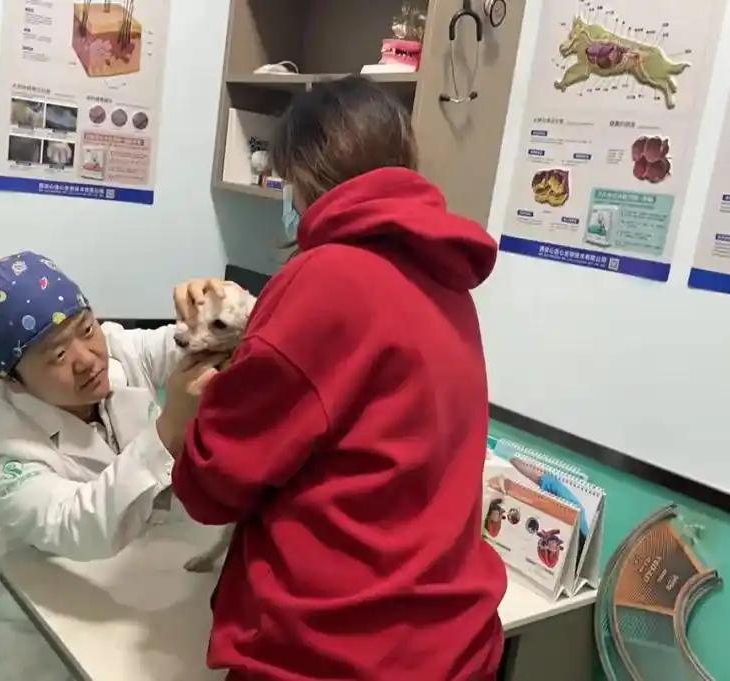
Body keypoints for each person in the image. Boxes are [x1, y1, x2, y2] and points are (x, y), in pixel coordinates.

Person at [170, 76, 509, 680]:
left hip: (335, 651)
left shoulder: (324, 278)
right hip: (448, 641)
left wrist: (182, 420)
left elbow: (213, 486)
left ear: (302, 174)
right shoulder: (445, 280)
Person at [0, 251, 225, 681]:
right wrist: (171, 425)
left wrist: (217, 307)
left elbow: (197, 345)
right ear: (11, 376)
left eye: (86, 329)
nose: (88, 359)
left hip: (135, 600)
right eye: (57, 355)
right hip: (38, 641)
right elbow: (78, 526)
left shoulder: (116, 348)